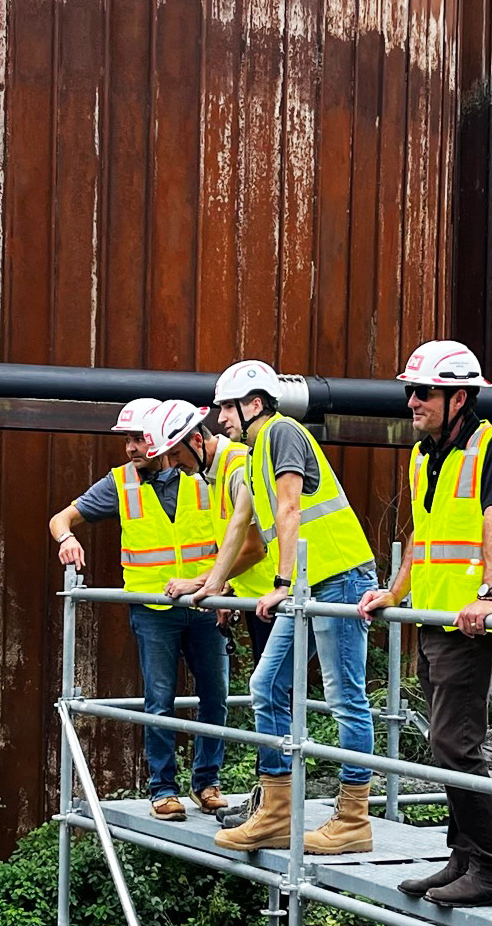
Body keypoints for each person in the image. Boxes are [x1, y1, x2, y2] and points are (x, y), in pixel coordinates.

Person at [175, 360, 380, 856]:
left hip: (340, 579)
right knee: (266, 685)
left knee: (345, 697)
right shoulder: (252, 454)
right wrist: (212, 584)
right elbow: (241, 525)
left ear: (254, 404)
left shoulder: (283, 431)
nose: (220, 418)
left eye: (227, 407)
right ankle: (276, 811)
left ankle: (354, 817)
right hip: (311, 586)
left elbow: (289, 508)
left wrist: (283, 583)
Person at [357, 340, 492, 907]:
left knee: (456, 743)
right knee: (443, 741)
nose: (412, 402)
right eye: (410, 391)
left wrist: (490, 594)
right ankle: (464, 859)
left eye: (423, 392)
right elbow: (421, 538)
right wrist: (393, 592)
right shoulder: (423, 453)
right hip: (432, 618)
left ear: (458, 397)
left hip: (469, 622)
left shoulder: (491, 443)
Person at [49, 399, 230, 819]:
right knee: (159, 700)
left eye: (137, 439)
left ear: (162, 440)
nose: (130, 448)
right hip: (152, 610)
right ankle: (162, 790)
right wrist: (66, 540)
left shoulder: (204, 476)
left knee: (216, 696)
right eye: (126, 439)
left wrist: (225, 588)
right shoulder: (119, 484)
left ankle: (207, 783)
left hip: (207, 603)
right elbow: (61, 519)